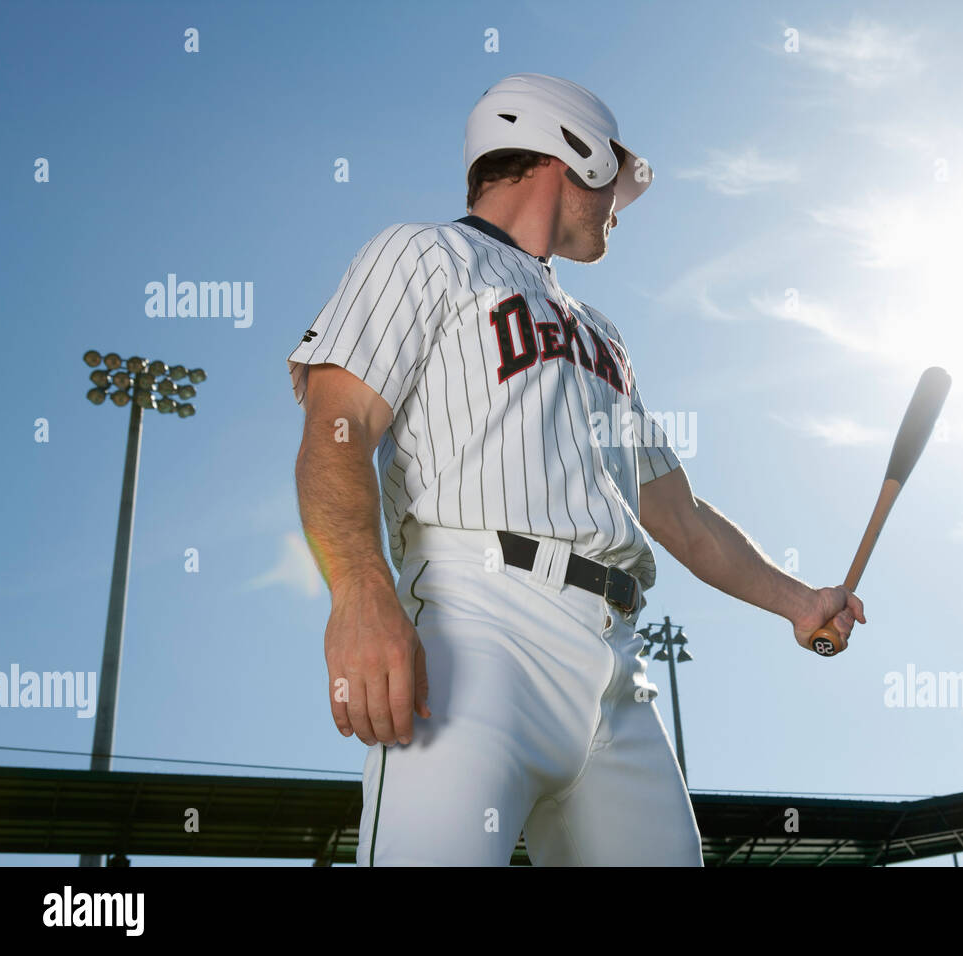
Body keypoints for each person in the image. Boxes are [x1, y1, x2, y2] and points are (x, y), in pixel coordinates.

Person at [287, 73, 864, 866]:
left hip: (618, 661)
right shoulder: (425, 252)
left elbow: (683, 519)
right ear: (574, 153)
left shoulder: (605, 333)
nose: (617, 207)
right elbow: (335, 430)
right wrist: (358, 591)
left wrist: (800, 601)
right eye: (613, 181)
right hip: (474, 627)